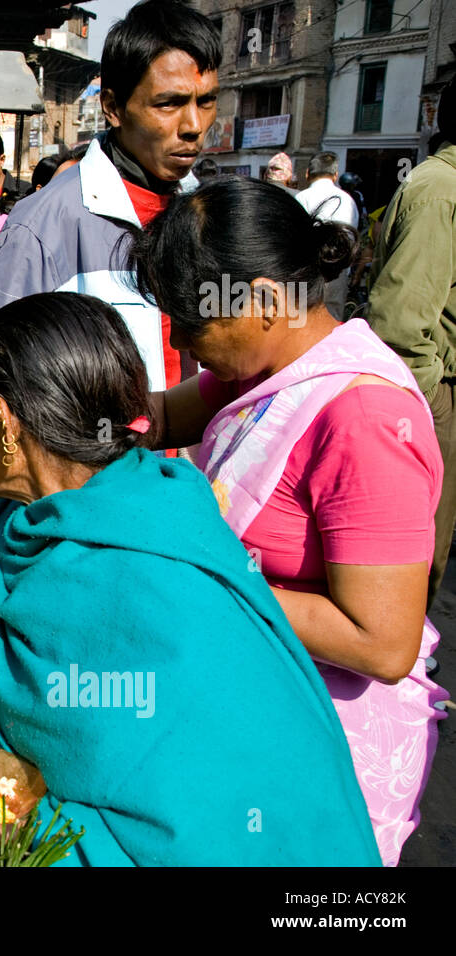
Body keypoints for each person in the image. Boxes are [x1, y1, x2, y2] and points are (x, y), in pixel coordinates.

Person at [0, 292, 380, 866]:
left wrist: (20, 835)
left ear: (6, 422)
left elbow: (197, 828)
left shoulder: (133, 589)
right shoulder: (105, 495)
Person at [129, 176, 449, 866]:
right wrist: (55, 401)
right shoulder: (263, 368)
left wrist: (204, 581)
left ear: (267, 302)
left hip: (322, 750)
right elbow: (151, 417)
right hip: (254, 711)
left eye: (192, 320)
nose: (182, 338)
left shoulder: (363, 417)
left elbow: (382, 643)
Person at [0, 0, 219, 477]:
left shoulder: (205, 214)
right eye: (168, 103)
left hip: (181, 481)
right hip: (85, 498)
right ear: (112, 107)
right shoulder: (46, 224)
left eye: (205, 101)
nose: (192, 126)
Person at [368, 79, 456, 610]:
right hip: (433, 393)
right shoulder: (440, 191)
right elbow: (400, 326)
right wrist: (432, 406)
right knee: (421, 557)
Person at [295, 152, 358, 319]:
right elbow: (352, 237)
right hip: (338, 269)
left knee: (303, 318)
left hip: (306, 270)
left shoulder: (301, 198)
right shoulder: (347, 200)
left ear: (307, 173)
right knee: (332, 318)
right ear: (335, 175)